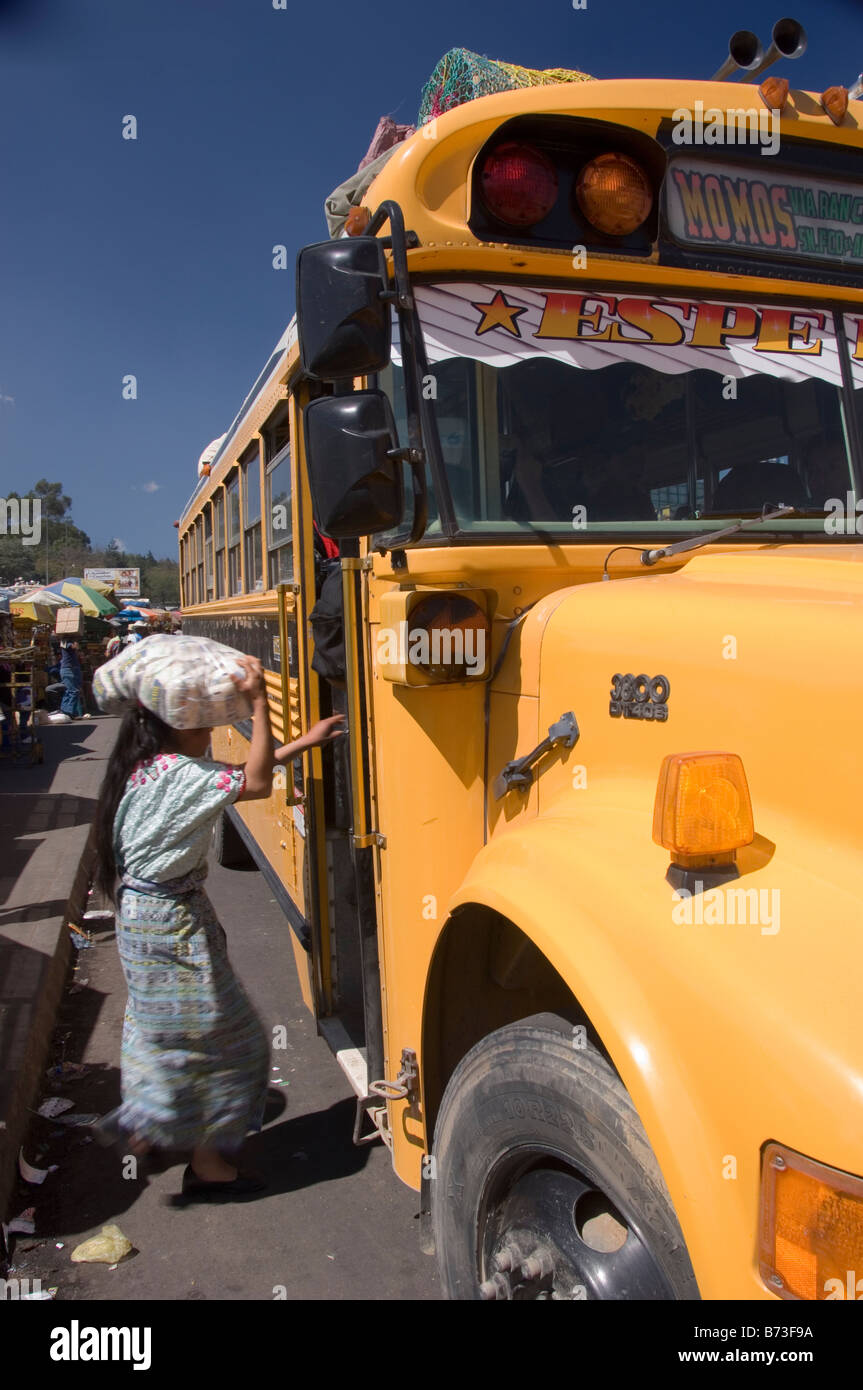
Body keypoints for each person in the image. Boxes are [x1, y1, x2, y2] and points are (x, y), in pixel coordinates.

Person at [91, 655, 344, 1199]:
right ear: (179, 726)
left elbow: (237, 777)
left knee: (166, 1030)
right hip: (170, 928)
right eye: (205, 723)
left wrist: (305, 742)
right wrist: (257, 702)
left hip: (146, 922)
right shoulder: (181, 775)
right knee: (230, 1042)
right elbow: (252, 784)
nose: (210, 732)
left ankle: (149, 1122)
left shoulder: (149, 767)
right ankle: (198, 1160)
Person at [59, 641, 85, 718]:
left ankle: (65, 711)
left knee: (69, 691)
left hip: (73, 669)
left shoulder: (68, 641)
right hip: (68, 669)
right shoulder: (64, 641)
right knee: (73, 691)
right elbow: (74, 646)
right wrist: (76, 644)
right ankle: (69, 712)